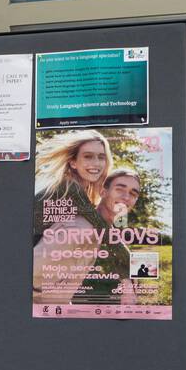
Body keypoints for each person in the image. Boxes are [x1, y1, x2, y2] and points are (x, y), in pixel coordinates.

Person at [32, 129, 111, 308]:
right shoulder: (70, 187)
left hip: (41, 280)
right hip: (28, 276)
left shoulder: (75, 188)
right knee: (87, 229)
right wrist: (130, 271)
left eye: (101, 157)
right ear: (73, 162)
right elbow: (104, 230)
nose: (96, 163)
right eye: (88, 156)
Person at [78, 168, 142, 306]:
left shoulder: (113, 231)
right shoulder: (81, 225)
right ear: (103, 191)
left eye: (133, 193)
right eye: (120, 189)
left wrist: (128, 285)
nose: (126, 197)